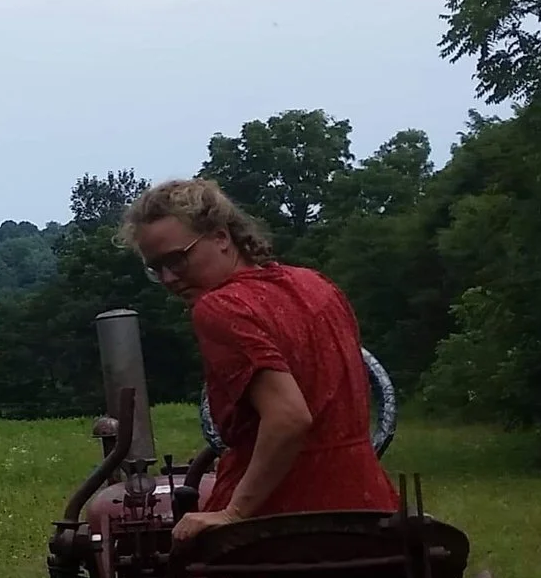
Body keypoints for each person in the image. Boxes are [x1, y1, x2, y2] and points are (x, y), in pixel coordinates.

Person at [118, 178, 397, 542]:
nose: (169, 278)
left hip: (280, 522)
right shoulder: (317, 285)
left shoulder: (219, 307)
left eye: (177, 259)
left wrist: (234, 513)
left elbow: (289, 417)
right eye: (156, 269)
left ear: (221, 237)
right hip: (369, 509)